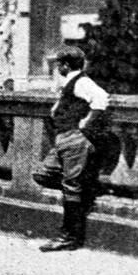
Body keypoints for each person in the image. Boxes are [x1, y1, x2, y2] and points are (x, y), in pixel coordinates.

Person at [34, 47, 110, 252]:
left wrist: (85, 123)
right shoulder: (69, 83)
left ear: (66, 65)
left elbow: (101, 99)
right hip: (63, 139)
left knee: (71, 186)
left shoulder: (82, 82)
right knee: (42, 174)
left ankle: (68, 237)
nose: (57, 67)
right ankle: (82, 188)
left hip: (74, 138)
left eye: (59, 64)